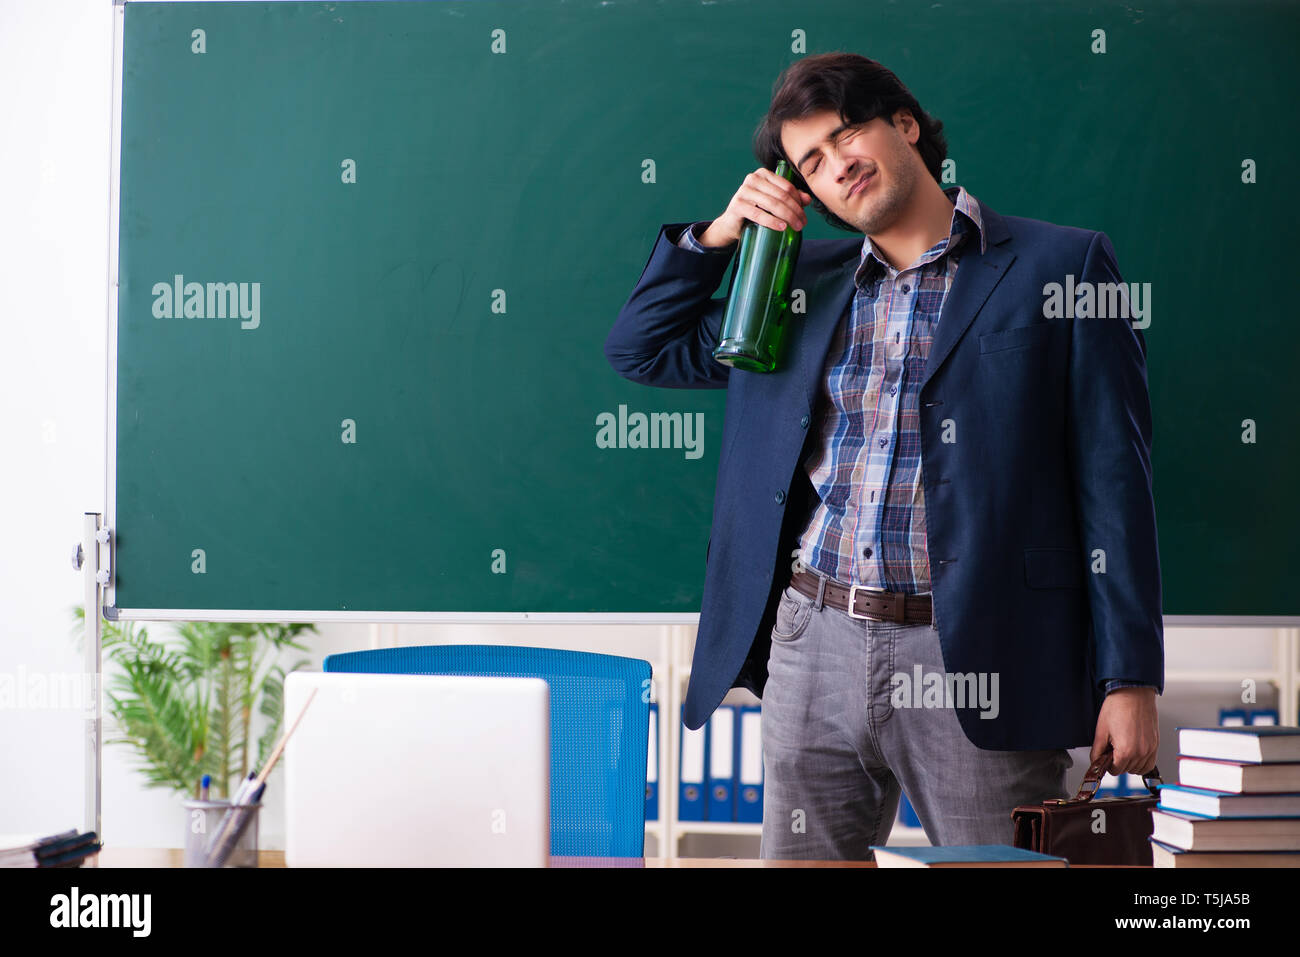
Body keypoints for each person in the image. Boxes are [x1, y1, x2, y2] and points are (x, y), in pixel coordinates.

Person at [604, 52, 1163, 859]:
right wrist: (719, 237)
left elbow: (1115, 482)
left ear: (903, 125)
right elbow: (641, 350)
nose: (839, 167)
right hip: (811, 642)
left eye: (847, 133)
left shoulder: (1060, 266)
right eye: (812, 163)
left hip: (977, 650)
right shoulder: (794, 288)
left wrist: (1130, 677)